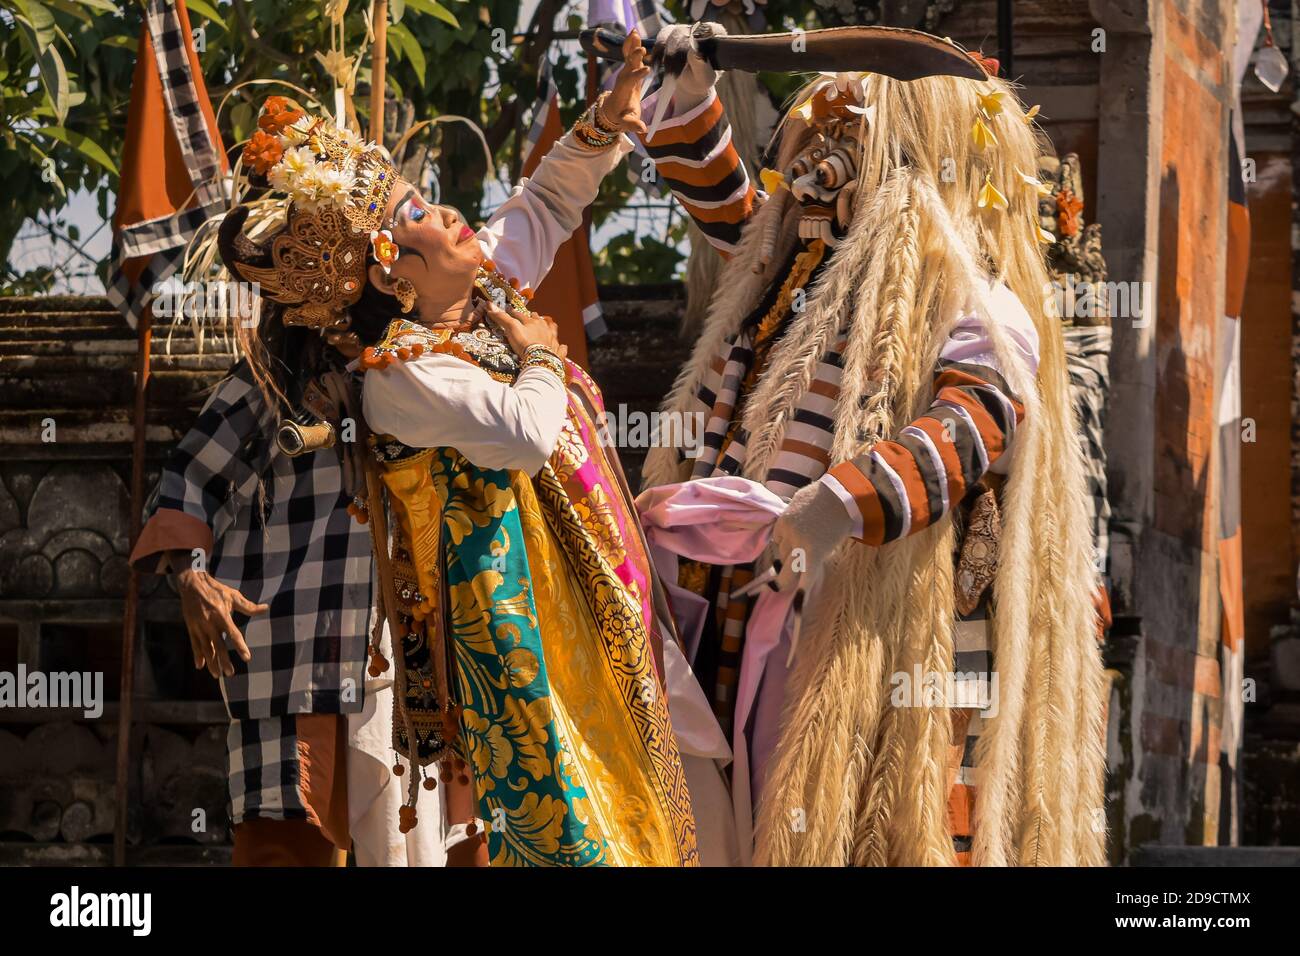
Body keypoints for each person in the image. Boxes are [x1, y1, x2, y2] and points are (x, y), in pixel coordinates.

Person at [217, 33, 699, 867]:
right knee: (575, 829)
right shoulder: (400, 375)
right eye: (417, 219)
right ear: (396, 277)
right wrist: (544, 351)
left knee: (639, 802)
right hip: (513, 625)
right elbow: (524, 432)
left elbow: (543, 205)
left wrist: (607, 120)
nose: (447, 212)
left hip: (582, 599)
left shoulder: (478, 297)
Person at [636, 23, 1108, 866]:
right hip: (713, 606)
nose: (816, 166)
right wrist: (691, 87)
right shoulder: (780, 273)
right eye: (809, 141)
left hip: (841, 628)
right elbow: (725, 203)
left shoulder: (973, 299)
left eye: (846, 140)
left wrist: (835, 505)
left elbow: (974, 422)